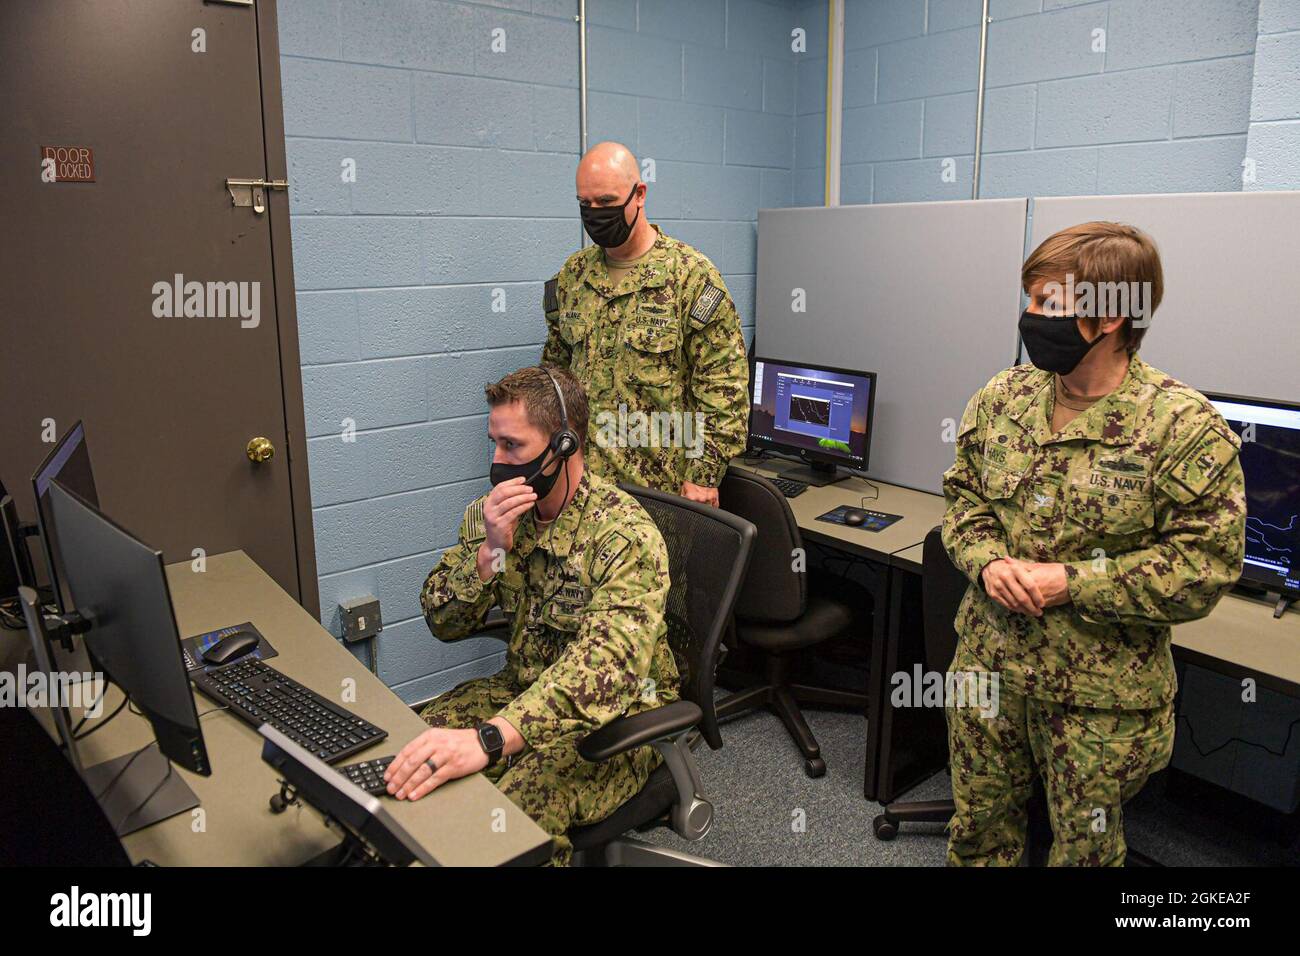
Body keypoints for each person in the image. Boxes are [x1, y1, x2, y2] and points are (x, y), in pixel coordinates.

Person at [941, 220, 1246, 866]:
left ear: (1110, 318)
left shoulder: (1182, 427)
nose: (1030, 318)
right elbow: (963, 501)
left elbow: (1204, 566)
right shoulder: (1003, 397)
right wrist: (988, 562)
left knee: (1084, 856)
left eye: (1047, 304)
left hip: (1097, 703)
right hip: (987, 671)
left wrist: (1071, 583)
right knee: (977, 835)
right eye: (1030, 300)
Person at [383, 365, 678, 866]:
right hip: (522, 688)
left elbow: (603, 672)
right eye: (493, 443)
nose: (497, 462)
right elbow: (442, 620)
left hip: (619, 715)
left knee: (517, 810)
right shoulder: (491, 516)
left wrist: (491, 739)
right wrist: (490, 554)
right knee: (405, 752)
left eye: (513, 446)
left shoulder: (624, 536)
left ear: (564, 446)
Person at [541, 141, 749, 506]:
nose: (595, 214)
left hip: (661, 492)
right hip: (583, 487)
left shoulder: (690, 277)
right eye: (584, 204)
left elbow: (724, 386)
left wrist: (703, 475)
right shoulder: (572, 276)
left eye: (606, 202)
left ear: (639, 194)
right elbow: (556, 376)